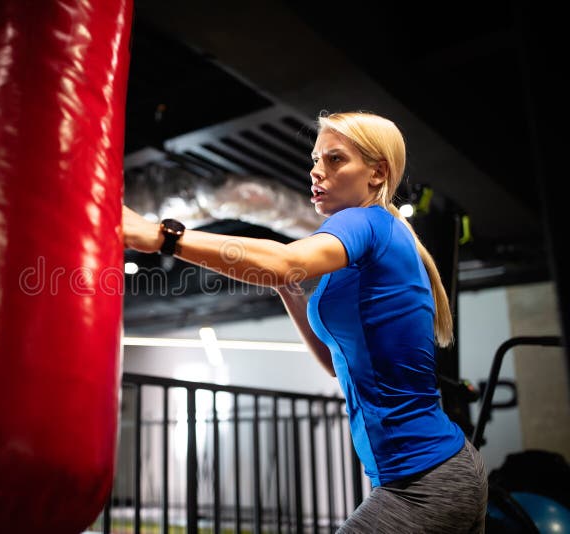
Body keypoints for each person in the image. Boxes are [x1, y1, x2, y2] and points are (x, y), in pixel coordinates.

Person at [122, 110, 488, 532]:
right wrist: (288, 289)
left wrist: (164, 237)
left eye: (335, 159)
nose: (316, 171)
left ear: (377, 173)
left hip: (423, 481)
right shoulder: (379, 237)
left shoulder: (365, 220)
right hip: (440, 470)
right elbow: (336, 362)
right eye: (316, 159)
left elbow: (285, 259)